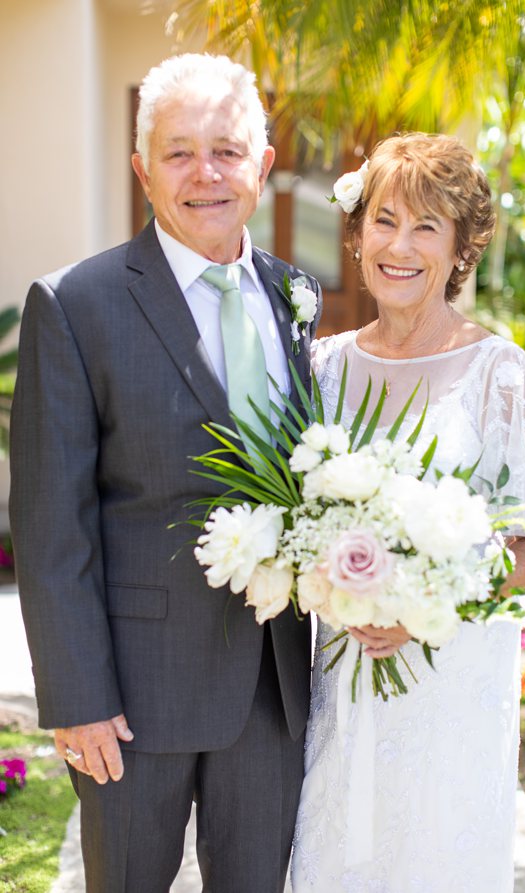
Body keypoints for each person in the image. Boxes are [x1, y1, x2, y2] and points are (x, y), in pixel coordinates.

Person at [11, 54, 320, 890]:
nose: (205, 173)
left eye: (226, 148)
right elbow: (50, 522)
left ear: (262, 164)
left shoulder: (297, 295)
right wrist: (75, 695)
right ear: (143, 170)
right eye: (179, 151)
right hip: (132, 698)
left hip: (274, 688)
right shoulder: (75, 303)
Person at [289, 132, 525, 891]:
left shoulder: (501, 373)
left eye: (427, 226)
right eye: (385, 219)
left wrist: (424, 603)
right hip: (343, 675)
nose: (401, 245)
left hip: (450, 685)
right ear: (356, 233)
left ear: (460, 249)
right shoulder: (321, 367)